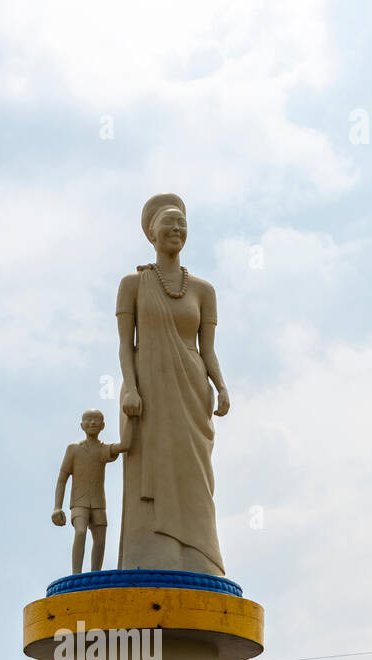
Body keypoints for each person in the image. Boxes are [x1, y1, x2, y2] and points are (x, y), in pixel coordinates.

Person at [115, 193, 229, 576]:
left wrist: (222, 386)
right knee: (149, 464)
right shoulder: (133, 284)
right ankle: (150, 552)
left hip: (192, 389)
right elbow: (125, 345)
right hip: (147, 389)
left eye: (182, 225)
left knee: (194, 473)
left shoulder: (203, 290)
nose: (176, 230)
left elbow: (207, 349)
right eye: (168, 224)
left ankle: (200, 555)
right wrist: (130, 388)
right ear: (152, 233)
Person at [52, 409, 123, 573]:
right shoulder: (74, 449)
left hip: (98, 502)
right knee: (81, 532)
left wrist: (130, 419)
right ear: (82, 425)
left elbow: (124, 445)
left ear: (103, 425)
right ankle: (76, 574)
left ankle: (95, 575)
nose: (92, 423)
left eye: (97, 420)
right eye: (89, 419)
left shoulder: (103, 449)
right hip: (79, 502)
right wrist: (57, 507)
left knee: (100, 541)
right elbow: (62, 479)